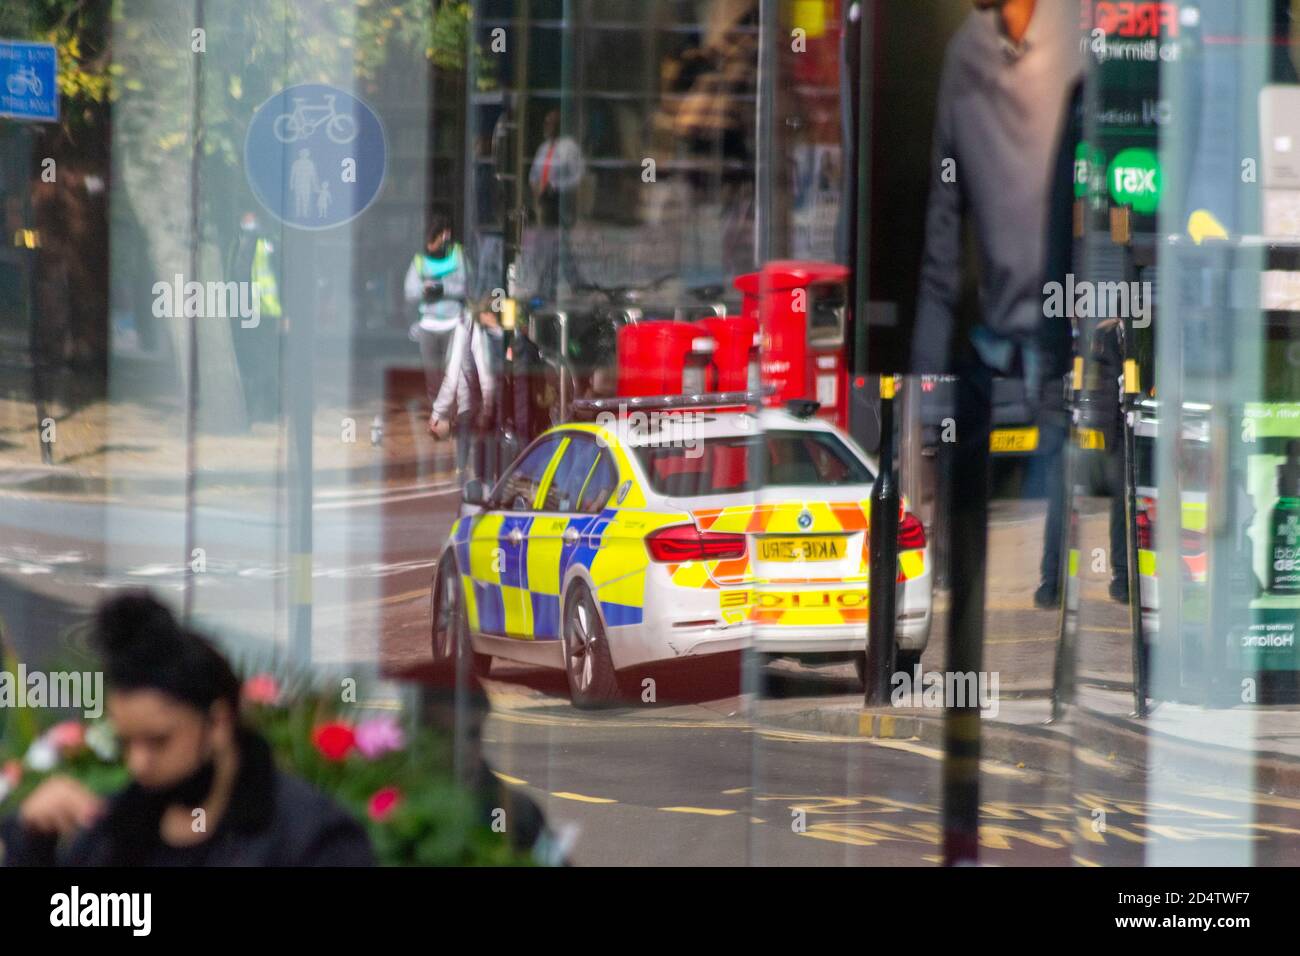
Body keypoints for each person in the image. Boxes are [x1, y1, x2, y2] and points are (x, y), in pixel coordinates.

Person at [0, 593, 374, 866]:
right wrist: (31, 839)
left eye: (158, 741)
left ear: (219, 722)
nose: (139, 763)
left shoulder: (310, 837)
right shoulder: (113, 834)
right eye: (126, 742)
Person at [406, 213, 473, 432]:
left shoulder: (458, 255)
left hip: (454, 324)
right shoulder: (419, 259)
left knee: (453, 375)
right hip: (429, 326)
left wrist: (442, 289)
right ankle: (439, 419)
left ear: (445, 236)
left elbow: (466, 287)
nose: (431, 245)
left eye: (435, 240)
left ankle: (455, 417)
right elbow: (409, 291)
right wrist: (424, 290)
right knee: (433, 376)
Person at [430, 307, 498, 485]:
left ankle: (472, 477)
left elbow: (456, 377)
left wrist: (438, 413)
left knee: (469, 433)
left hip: (473, 402)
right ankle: (474, 476)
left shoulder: (465, 328)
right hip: (475, 402)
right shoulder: (467, 326)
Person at [528, 110, 585, 299]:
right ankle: (574, 281)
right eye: (546, 123)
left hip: (560, 200)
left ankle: (550, 286)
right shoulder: (544, 148)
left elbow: (577, 176)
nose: (547, 127)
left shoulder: (569, 148)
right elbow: (535, 173)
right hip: (544, 202)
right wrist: (536, 186)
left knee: (557, 243)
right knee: (555, 245)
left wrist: (555, 185)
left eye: (551, 123)